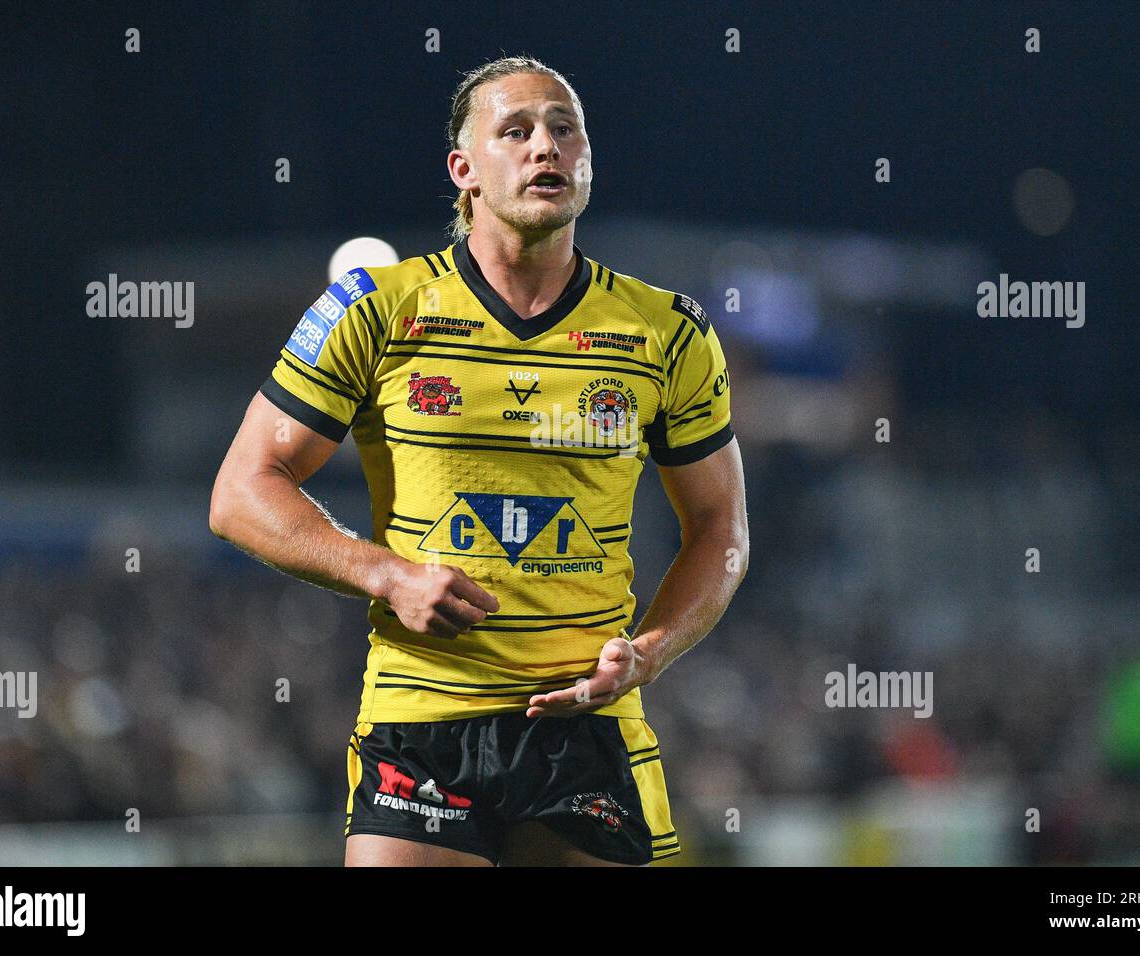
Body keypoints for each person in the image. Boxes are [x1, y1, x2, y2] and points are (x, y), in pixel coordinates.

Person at [209, 55, 748, 866]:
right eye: (517, 130)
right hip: (423, 719)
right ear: (464, 169)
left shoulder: (666, 332)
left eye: (566, 130)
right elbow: (240, 494)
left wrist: (649, 652)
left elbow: (720, 528)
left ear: (588, 161)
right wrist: (386, 575)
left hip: (583, 725)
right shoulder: (377, 309)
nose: (547, 148)